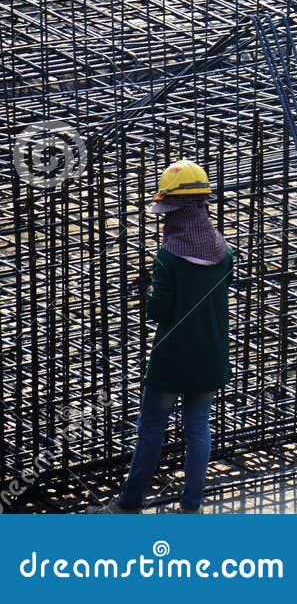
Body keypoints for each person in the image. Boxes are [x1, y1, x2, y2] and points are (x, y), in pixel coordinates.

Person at [113, 161, 234, 514]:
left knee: (151, 428)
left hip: (171, 359)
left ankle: (130, 501)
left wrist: (150, 289)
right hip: (211, 354)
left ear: (179, 212)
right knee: (198, 430)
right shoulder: (225, 254)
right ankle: (191, 505)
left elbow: (159, 313)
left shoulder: (168, 257)